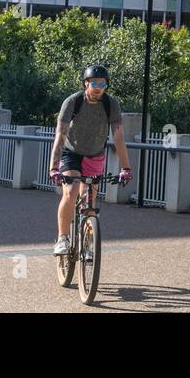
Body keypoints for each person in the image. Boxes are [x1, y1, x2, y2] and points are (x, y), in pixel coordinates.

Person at [50, 65, 132, 256]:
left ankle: (86, 245)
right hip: (71, 153)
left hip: (95, 154)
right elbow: (60, 134)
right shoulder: (73, 101)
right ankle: (63, 238)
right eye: (94, 83)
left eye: (103, 84)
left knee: (90, 201)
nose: (98, 87)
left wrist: (126, 168)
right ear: (86, 83)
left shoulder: (111, 105)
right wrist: (54, 167)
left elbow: (118, 138)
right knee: (70, 192)